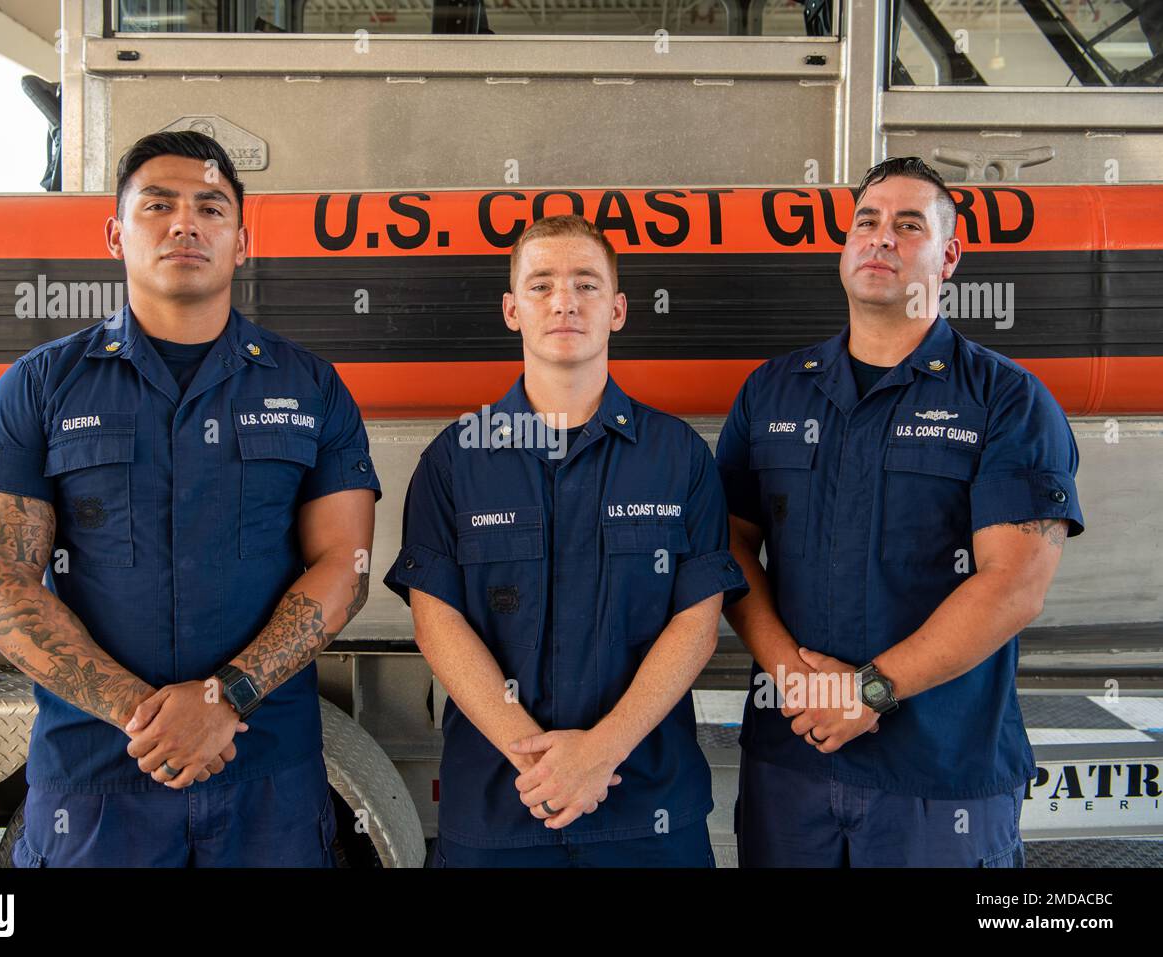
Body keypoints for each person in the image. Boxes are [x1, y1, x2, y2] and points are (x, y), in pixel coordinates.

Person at [0, 130, 379, 866]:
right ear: (115, 235)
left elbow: (346, 564)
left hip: (265, 778)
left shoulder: (310, 387)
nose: (186, 224)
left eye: (211, 208)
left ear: (242, 243)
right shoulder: (39, 386)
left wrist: (224, 700)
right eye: (158, 205)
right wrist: (150, 719)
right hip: (98, 780)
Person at [716, 156, 1084, 867]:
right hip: (792, 764)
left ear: (948, 257)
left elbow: (1014, 584)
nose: (881, 237)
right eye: (868, 221)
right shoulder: (773, 390)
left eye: (909, 225)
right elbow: (727, 543)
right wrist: (793, 675)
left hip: (941, 779)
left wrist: (870, 691)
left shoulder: (1007, 400)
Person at [384, 214, 748, 866]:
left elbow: (697, 623)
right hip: (501, 807)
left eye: (586, 284)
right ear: (512, 309)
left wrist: (600, 752)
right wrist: (542, 764)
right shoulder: (454, 460)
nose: (564, 302)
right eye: (541, 284)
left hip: (646, 809)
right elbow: (436, 622)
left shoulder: (680, 456)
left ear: (617, 309)